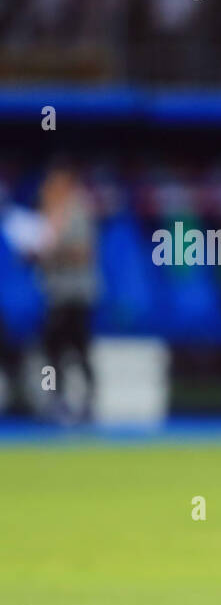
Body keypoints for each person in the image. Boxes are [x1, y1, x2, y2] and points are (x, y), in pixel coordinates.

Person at [35, 164, 98, 424]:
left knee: (79, 348)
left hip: (77, 295)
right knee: (53, 349)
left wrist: (54, 252)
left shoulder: (78, 211)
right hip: (55, 294)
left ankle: (88, 399)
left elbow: (84, 252)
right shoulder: (48, 214)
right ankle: (56, 398)